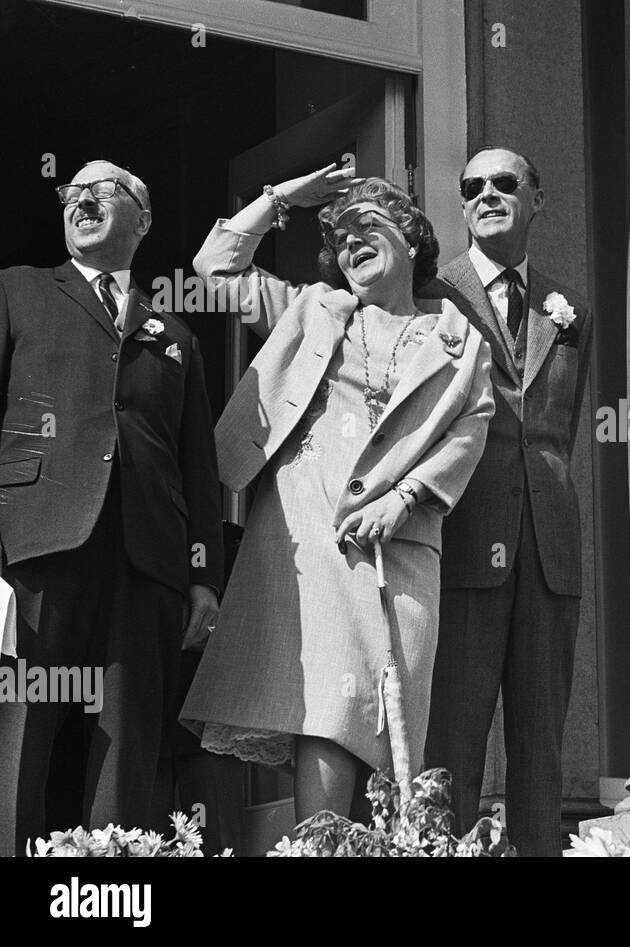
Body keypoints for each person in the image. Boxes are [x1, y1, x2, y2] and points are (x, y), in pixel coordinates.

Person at [179, 167, 495, 824]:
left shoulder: (460, 339)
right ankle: (318, 849)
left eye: (365, 226)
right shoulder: (313, 309)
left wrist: (406, 498)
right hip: (313, 539)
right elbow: (214, 267)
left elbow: (471, 427)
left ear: (409, 235)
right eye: (338, 236)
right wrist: (280, 198)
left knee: (389, 726)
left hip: (403, 546)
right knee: (325, 714)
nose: (349, 243)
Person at [0, 160, 224, 855]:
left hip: (145, 561)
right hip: (34, 549)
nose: (82, 200)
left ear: (144, 219)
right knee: (20, 733)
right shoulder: (18, 290)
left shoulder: (177, 336)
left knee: (127, 746)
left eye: (104, 190)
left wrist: (203, 576)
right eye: (73, 193)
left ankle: (112, 893)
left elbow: (198, 468)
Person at [424, 147, 592, 857]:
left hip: (548, 543)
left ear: (537, 198)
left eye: (504, 182)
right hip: (465, 538)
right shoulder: (434, 292)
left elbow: (558, 428)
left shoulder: (566, 304)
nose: (486, 193)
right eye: (472, 186)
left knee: (540, 745)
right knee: (453, 740)